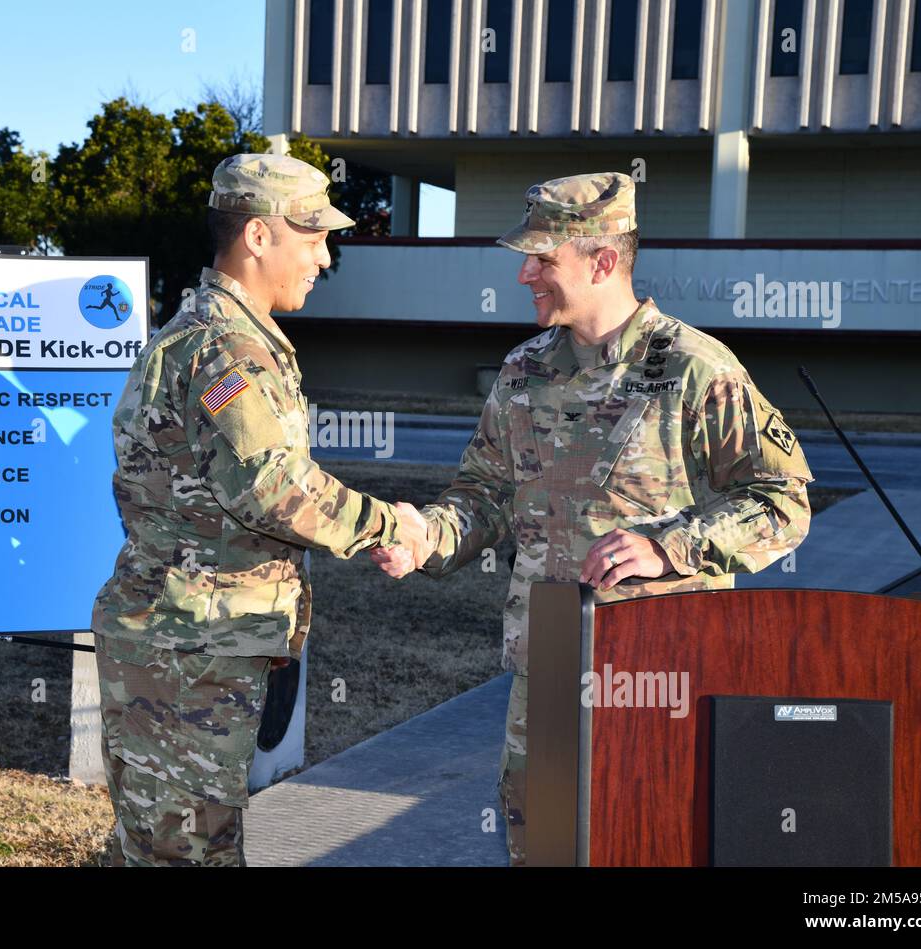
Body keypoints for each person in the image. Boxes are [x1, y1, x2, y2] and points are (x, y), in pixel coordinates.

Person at [371, 171, 814, 866]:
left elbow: (782, 502)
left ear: (603, 261)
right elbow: (485, 495)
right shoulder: (522, 372)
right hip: (546, 672)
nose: (523, 275)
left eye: (542, 258)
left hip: (660, 678)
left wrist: (669, 546)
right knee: (542, 848)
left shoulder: (697, 371)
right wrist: (426, 535)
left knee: (652, 846)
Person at [92, 152, 431, 866]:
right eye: (311, 236)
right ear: (256, 237)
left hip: (185, 641)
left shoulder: (209, 332)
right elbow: (275, 490)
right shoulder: (226, 349)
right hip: (190, 655)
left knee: (171, 842)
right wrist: (393, 525)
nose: (324, 256)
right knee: (187, 849)